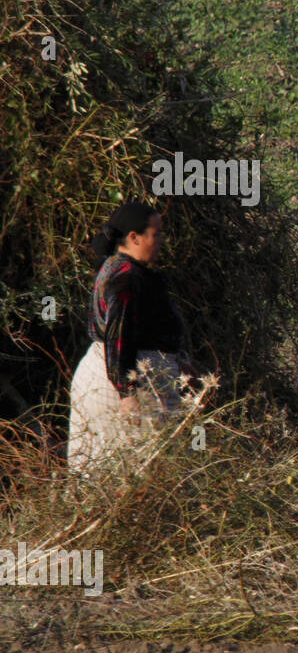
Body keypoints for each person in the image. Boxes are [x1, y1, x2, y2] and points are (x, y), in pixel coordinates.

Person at [67, 201, 198, 475]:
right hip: (123, 382)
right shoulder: (125, 277)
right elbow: (119, 334)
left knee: (116, 472)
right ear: (134, 238)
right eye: (156, 234)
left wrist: (179, 361)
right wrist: (126, 392)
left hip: (110, 375)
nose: (161, 241)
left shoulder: (122, 269)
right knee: (139, 475)